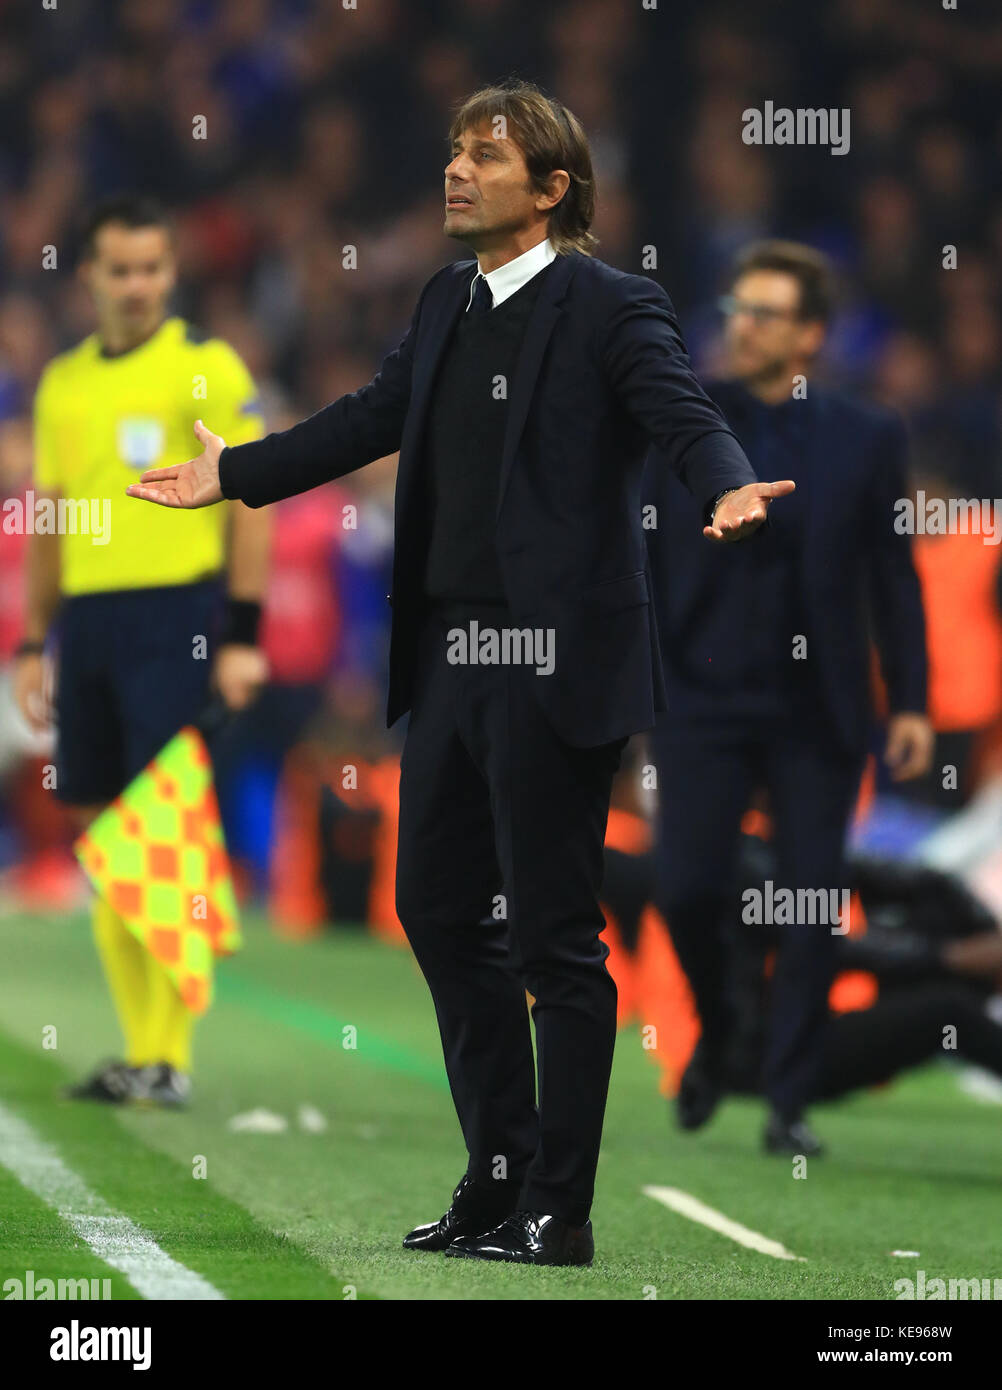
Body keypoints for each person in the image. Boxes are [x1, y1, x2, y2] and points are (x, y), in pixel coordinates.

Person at [126, 80, 794, 1267]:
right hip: (449, 659)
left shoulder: (611, 302)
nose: (456, 169)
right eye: (452, 150)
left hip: (555, 664)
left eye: (486, 155)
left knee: (553, 938)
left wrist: (726, 481)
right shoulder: (446, 299)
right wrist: (240, 475)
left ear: (552, 190)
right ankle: (497, 1178)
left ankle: (560, 1210)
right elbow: (375, 414)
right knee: (437, 909)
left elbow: (683, 414)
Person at [644, 240, 933, 1157]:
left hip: (820, 707)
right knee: (685, 887)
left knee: (811, 906)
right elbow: (644, 551)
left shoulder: (868, 434)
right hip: (700, 693)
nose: (741, 326)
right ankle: (723, 1024)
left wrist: (913, 702)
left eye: (764, 313)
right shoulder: (685, 417)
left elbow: (894, 576)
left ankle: (788, 1098)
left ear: (810, 334)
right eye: (735, 309)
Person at [14, 195, 269, 1107]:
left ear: (171, 272)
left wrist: (241, 635)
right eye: (119, 269)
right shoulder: (61, 383)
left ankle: (169, 1056)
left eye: (152, 269)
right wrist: (35, 640)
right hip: (87, 621)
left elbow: (251, 498)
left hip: (178, 618)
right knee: (97, 832)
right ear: (88, 275)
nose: (136, 285)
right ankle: (140, 1050)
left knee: (159, 833)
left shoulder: (204, 369)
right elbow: (47, 520)